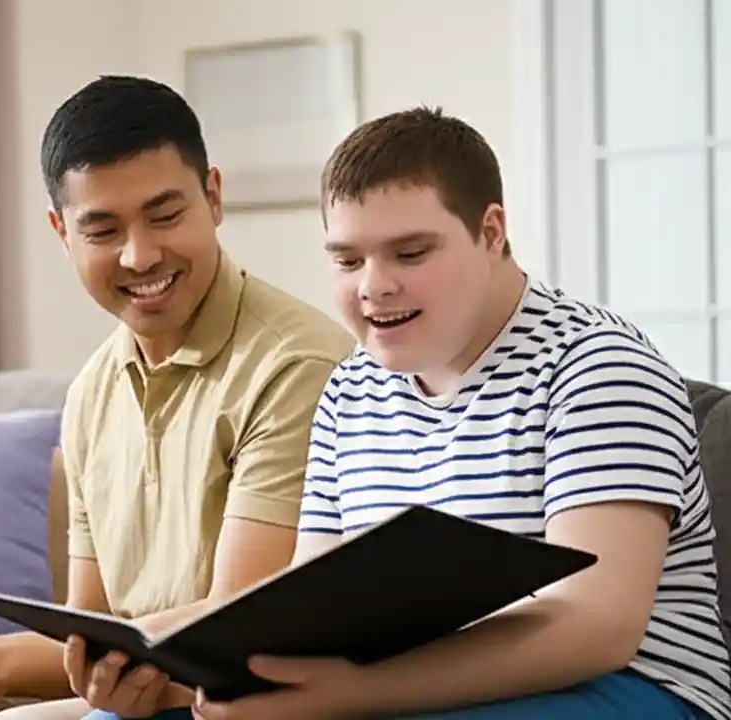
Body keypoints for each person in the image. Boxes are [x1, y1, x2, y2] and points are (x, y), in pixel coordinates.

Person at [0, 74, 354, 720]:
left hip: (228, 699)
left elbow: (239, 630)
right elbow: (88, 630)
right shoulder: (93, 391)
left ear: (214, 197)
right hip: (135, 695)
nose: (141, 255)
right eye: (103, 230)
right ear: (62, 232)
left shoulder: (297, 365)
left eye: (166, 216)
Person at [189, 107, 731, 720]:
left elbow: (597, 626)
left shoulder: (597, 366)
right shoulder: (349, 388)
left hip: (629, 690)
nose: (374, 286)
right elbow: (313, 604)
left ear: (491, 230)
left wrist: (357, 696)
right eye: (347, 261)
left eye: (410, 253)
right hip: (407, 685)